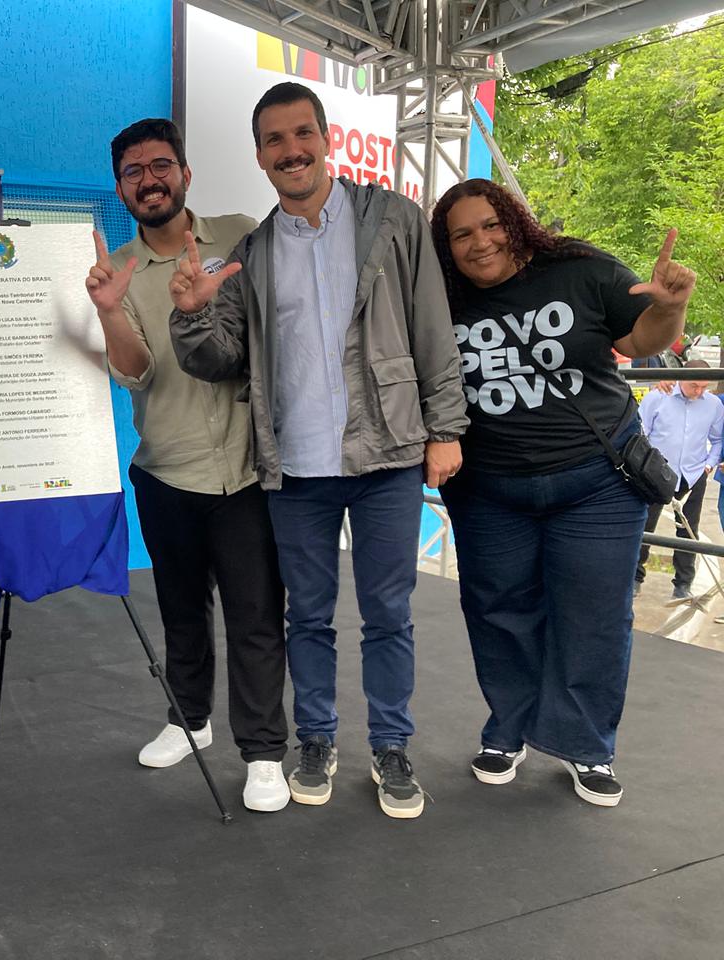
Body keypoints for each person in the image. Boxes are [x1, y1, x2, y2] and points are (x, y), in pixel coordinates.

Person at [168, 82, 468, 819]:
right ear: (260, 156)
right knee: (307, 616)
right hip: (295, 468)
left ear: (325, 138)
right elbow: (219, 359)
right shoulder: (252, 253)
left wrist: (446, 428)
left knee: (387, 613)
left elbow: (432, 325)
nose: (290, 149)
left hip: (389, 457)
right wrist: (188, 317)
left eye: (301, 133)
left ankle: (392, 747)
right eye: (274, 139)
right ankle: (318, 739)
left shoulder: (392, 220)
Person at [430, 177, 696, 807]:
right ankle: (508, 731)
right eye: (461, 233)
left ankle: (586, 745)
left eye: (491, 224)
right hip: (490, 490)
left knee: (595, 616)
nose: (479, 242)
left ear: (516, 221)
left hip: (596, 484)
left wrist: (669, 306)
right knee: (498, 611)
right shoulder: (439, 295)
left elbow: (639, 342)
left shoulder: (580, 268)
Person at [85, 118, 290, 812]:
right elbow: (136, 372)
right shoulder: (115, 269)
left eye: (161, 165)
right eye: (134, 172)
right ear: (120, 188)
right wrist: (112, 313)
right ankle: (190, 721)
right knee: (181, 611)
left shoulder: (239, 234)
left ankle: (263, 751)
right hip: (166, 469)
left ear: (185, 174)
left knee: (257, 614)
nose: (150, 179)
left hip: (246, 468)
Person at [635, 360, 723, 599]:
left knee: (688, 529)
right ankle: (635, 577)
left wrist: (708, 464)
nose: (699, 391)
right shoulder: (657, 397)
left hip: (693, 475)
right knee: (645, 525)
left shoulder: (713, 405)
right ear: (681, 378)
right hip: (656, 473)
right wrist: (644, 467)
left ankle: (683, 584)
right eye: (694, 385)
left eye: (704, 386)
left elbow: (717, 439)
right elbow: (640, 433)